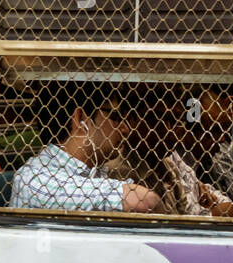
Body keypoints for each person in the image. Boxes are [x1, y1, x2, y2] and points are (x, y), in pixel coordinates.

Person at [11, 82, 163, 213]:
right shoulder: (33, 178)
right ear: (81, 120)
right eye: (115, 116)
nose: (124, 129)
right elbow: (145, 200)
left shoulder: (95, 173)